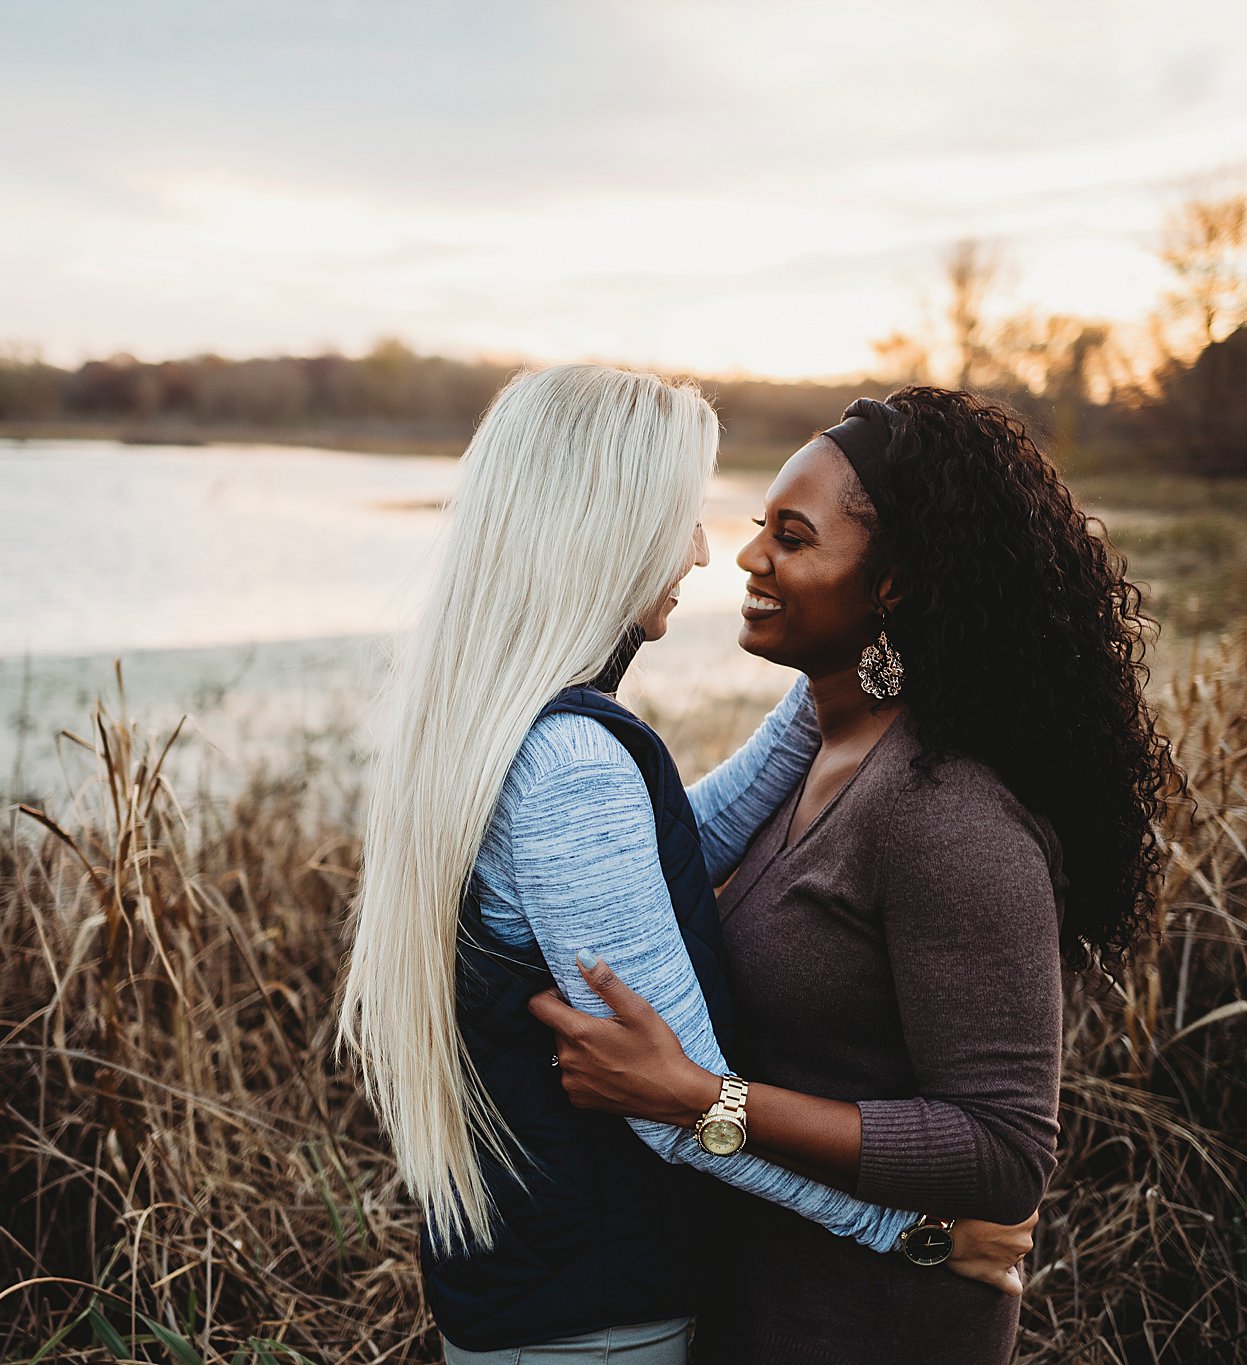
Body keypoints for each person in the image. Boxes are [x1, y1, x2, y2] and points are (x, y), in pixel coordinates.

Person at [338, 366, 1035, 1364]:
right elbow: (676, 1108)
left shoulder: (496, 728)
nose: (710, 551)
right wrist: (908, 1234)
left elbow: (677, 856)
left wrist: (837, 679)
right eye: (682, 517)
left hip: (539, 1296)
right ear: (606, 532)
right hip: (596, 1322)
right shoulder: (569, 764)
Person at [531, 388, 1183, 1364]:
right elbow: (674, 857)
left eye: (791, 538)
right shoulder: (822, 759)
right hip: (750, 1294)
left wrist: (704, 1099)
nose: (747, 557)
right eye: (761, 528)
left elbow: (1004, 1153)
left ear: (894, 584)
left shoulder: (946, 814)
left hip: (870, 1322)